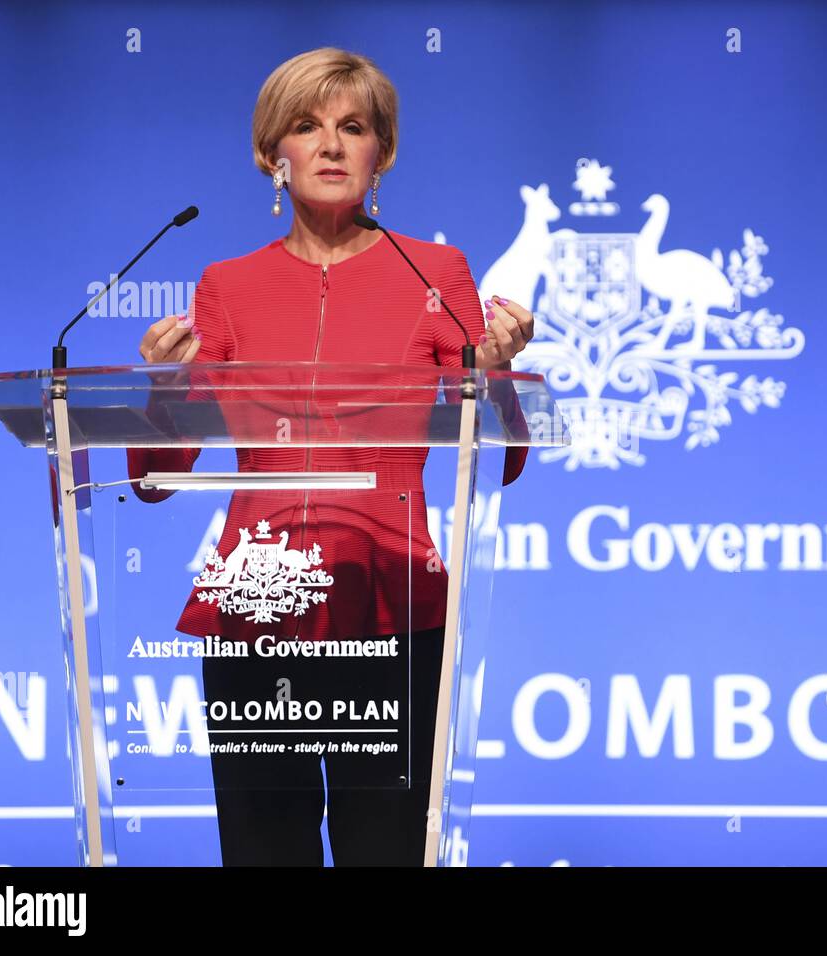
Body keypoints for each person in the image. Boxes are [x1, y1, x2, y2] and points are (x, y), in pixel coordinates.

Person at [126, 47, 534, 866]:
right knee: (264, 847)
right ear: (269, 156)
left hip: (393, 600)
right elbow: (155, 476)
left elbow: (504, 451)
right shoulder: (227, 285)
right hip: (256, 602)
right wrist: (161, 387)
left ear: (381, 154)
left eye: (354, 127)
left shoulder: (437, 272)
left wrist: (494, 375)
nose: (332, 145)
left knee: (384, 846)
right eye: (306, 127)